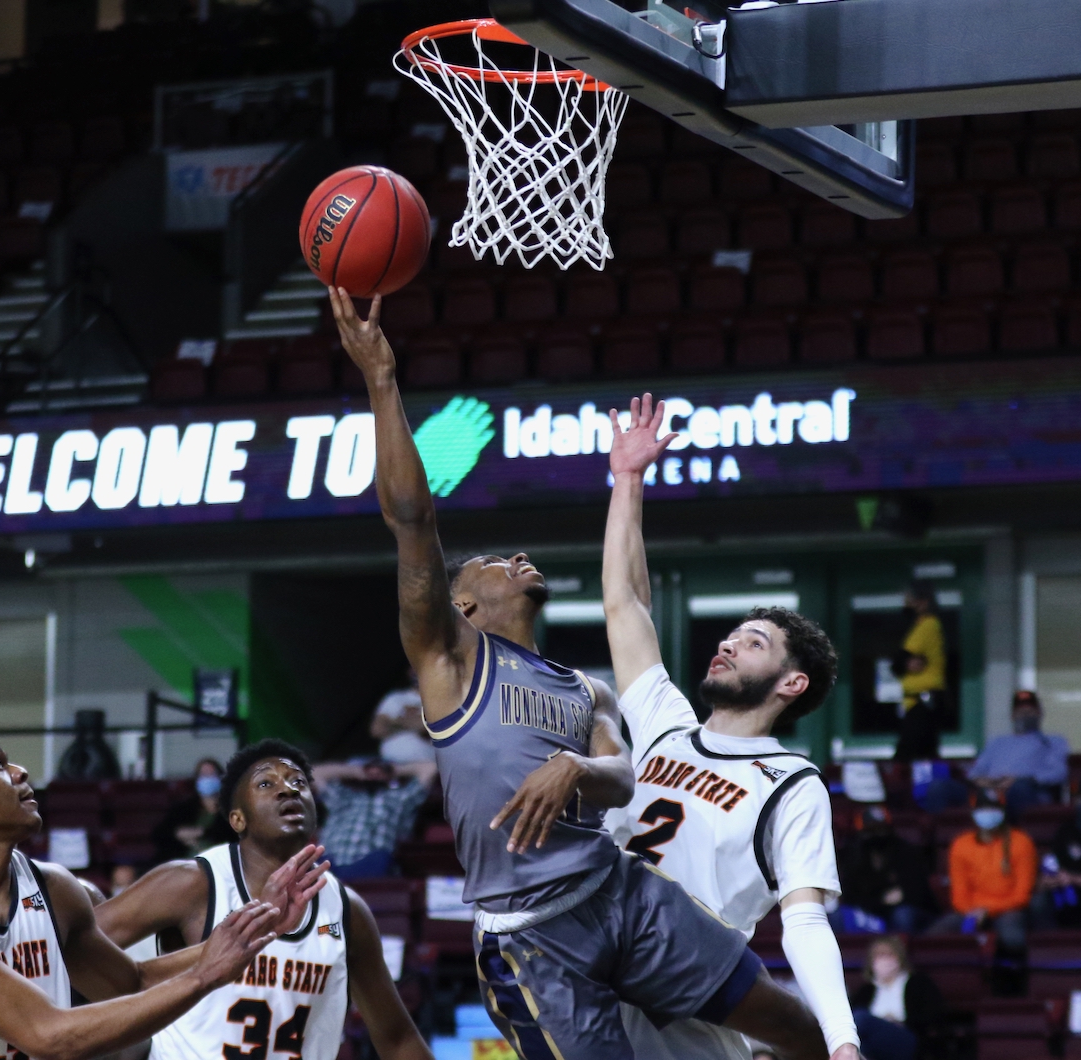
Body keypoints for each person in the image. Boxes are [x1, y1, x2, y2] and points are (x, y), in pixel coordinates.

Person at [330, 287, 827, 1060]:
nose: (517, 558)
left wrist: (576, 768)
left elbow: (626, 776)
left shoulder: (581, 686)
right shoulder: (449, 661)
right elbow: (410, 519)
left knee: (798, 1029)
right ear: (462, 605)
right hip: (533, 935)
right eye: (497, 562)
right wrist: (381, 378)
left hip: (621, 892)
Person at [600, 394, 860, 1060]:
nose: (727, 645)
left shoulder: (792, 782)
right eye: (731, 635)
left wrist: (843, 1042)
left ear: (790, 683)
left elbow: (803, 919)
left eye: (752, 642)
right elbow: (625, 604)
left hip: (683, 996)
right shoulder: (665, 724)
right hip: (594, 971)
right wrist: (627, 481)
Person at [0, 718, 318, 1060]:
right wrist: (204, 976)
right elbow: (48, 1035)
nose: (22, 771)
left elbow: (131, 982)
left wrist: (262, 926)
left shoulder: (55, 889)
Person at [95, 738, 434, 1060]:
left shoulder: (347, 910)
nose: (288, 788)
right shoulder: (190, 883)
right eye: (266, 784)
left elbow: (397, 1037)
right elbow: (72, 943)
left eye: (299, 782)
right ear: (237, 818)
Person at [928, 790, 1036, 954]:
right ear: (973, 812)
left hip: (1009, 907)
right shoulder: (961, 844)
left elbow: (1022, 895)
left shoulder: (1021, 842)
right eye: (983, 809)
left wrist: (988, 910)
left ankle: (1011, 977)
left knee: (1012, 937)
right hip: (971, 909)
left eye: (993, 809)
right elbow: (959, 894)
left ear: (1003, 812)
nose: (988, 814)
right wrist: (972, 912)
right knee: (935, 936)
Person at [311, 757, 435, 878]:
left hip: (371, 867)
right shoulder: (341, 797)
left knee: (382, 858)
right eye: (370, 770)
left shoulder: (399, 799)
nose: (374, 772)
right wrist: (358, 771)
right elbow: (315, 772)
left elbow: (430, 767)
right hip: (330, 867)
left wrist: (391, 770)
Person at [968, 690, 1070, 820]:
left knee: (1018, 789)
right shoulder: (997, 742)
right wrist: (987, 782)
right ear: (1012, 715)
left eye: (1030, 709)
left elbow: (1059, 772)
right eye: (1021, 710)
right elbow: (975, 772)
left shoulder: (1052, 741)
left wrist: (1021, 780)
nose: (1025, 713)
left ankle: (1013, 837)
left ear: (1039, 713)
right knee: (940, 787)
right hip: (991, 788)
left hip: (1029, 790)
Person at [837, 805, 934, 935]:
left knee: (902, 915)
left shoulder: (906, 851)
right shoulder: (853, 856)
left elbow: (918, 893)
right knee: (840, 915)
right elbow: (851, 896)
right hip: (868, 912)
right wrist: (882, 901)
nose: (876, 835)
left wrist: (899, 896)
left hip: (905, 911)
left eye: (880, 829)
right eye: (871, 830)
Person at [848, 936, 944, 1060]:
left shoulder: (918, 983)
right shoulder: (866, 990)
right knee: (862, 1045)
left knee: (860, 1018)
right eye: (879, 956)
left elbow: (933, 1015)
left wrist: (898, 1023)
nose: (884, 960)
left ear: (900, 958)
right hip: (873, 1041)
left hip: (906, 1038)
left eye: (889, 955)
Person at [893, 582, 946, 762]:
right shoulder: (916, 626)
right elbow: (900, 662)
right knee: (923, 755)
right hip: (914, 700)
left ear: (923, 603)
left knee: (907, 755)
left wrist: (902, 662)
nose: (907, 605)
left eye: (911, 601)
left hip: (924, 701)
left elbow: (899, 658)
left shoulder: (929, 624)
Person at [152, 757, 233, 863]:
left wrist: (201, 832)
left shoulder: (231, 808)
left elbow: (232, 835)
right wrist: (178, 834)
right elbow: (159, 834)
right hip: (183, 864)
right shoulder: (184, 808)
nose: (207, 779)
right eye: (203, 775)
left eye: (211, 774)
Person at [1032, 800, 1081, 928]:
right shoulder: (1065, 831)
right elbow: (1050, 864)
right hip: (1064, 889)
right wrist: (1051, 879)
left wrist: (1073, 878)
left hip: (1075, 883)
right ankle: (1045, 944)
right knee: (1039, 901)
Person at [371, 668, 434, 764]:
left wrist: (394, 721)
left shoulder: (445, 700)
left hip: (427, 764)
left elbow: (425, 725)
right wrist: (413, 722)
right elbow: (377, 730)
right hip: (390, 765)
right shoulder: (395, 698)